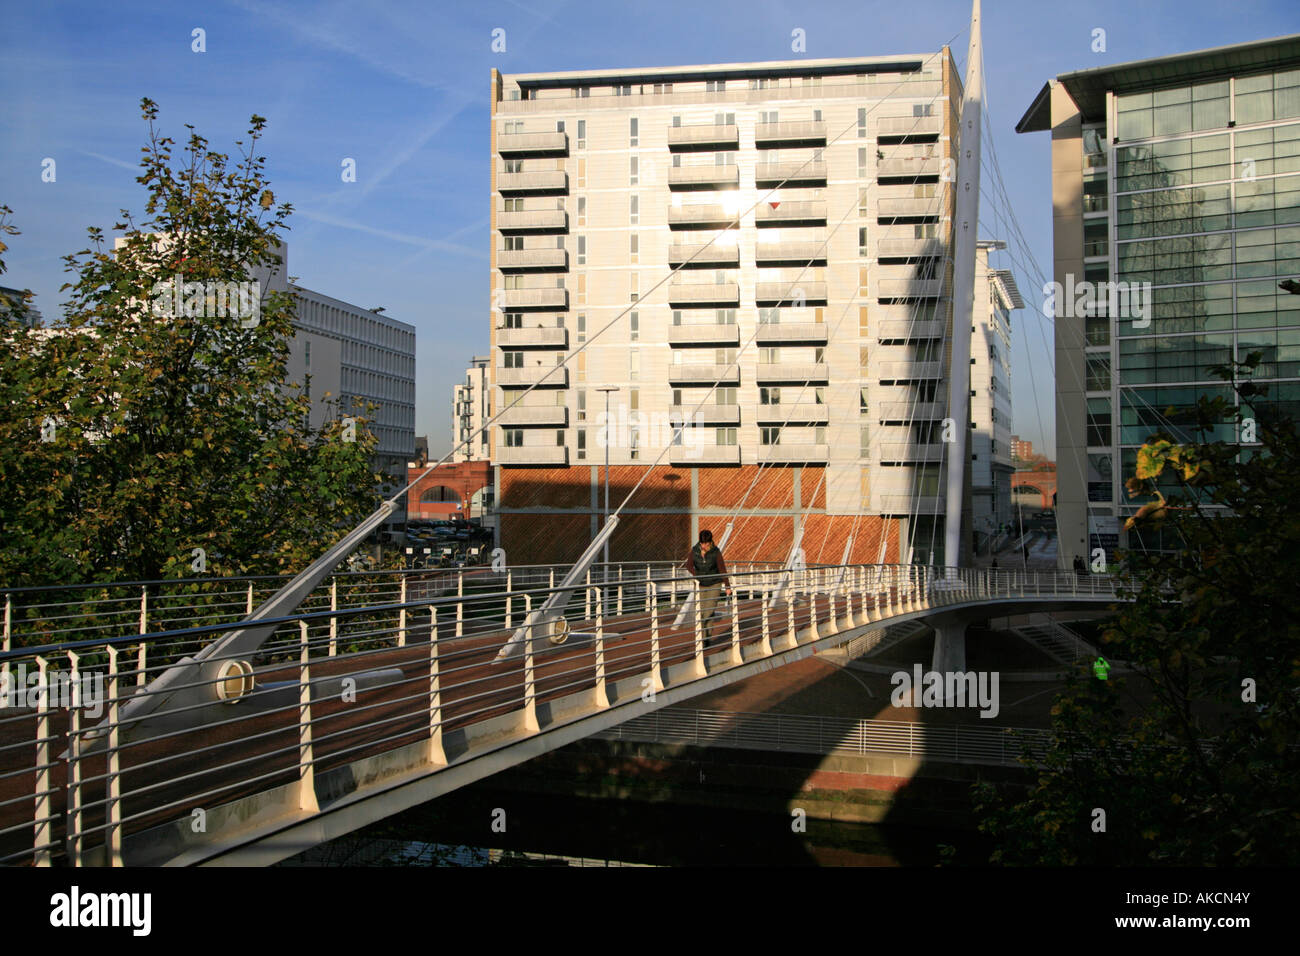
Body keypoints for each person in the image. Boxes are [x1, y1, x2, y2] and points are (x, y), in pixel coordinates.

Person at [683, 529, 731, 647]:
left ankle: (705, 638)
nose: (704, 546)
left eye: (707, 544)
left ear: (711, 542)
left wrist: (727, 586)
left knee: (709, 611)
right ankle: (703, 636)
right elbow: (688, 565)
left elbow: (722, 569)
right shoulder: (695, 551)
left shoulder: (715, 552)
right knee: (701, 613)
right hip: (700, 585)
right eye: (702, 543)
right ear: (700, 542)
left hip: (714, 584)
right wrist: (697, 575)